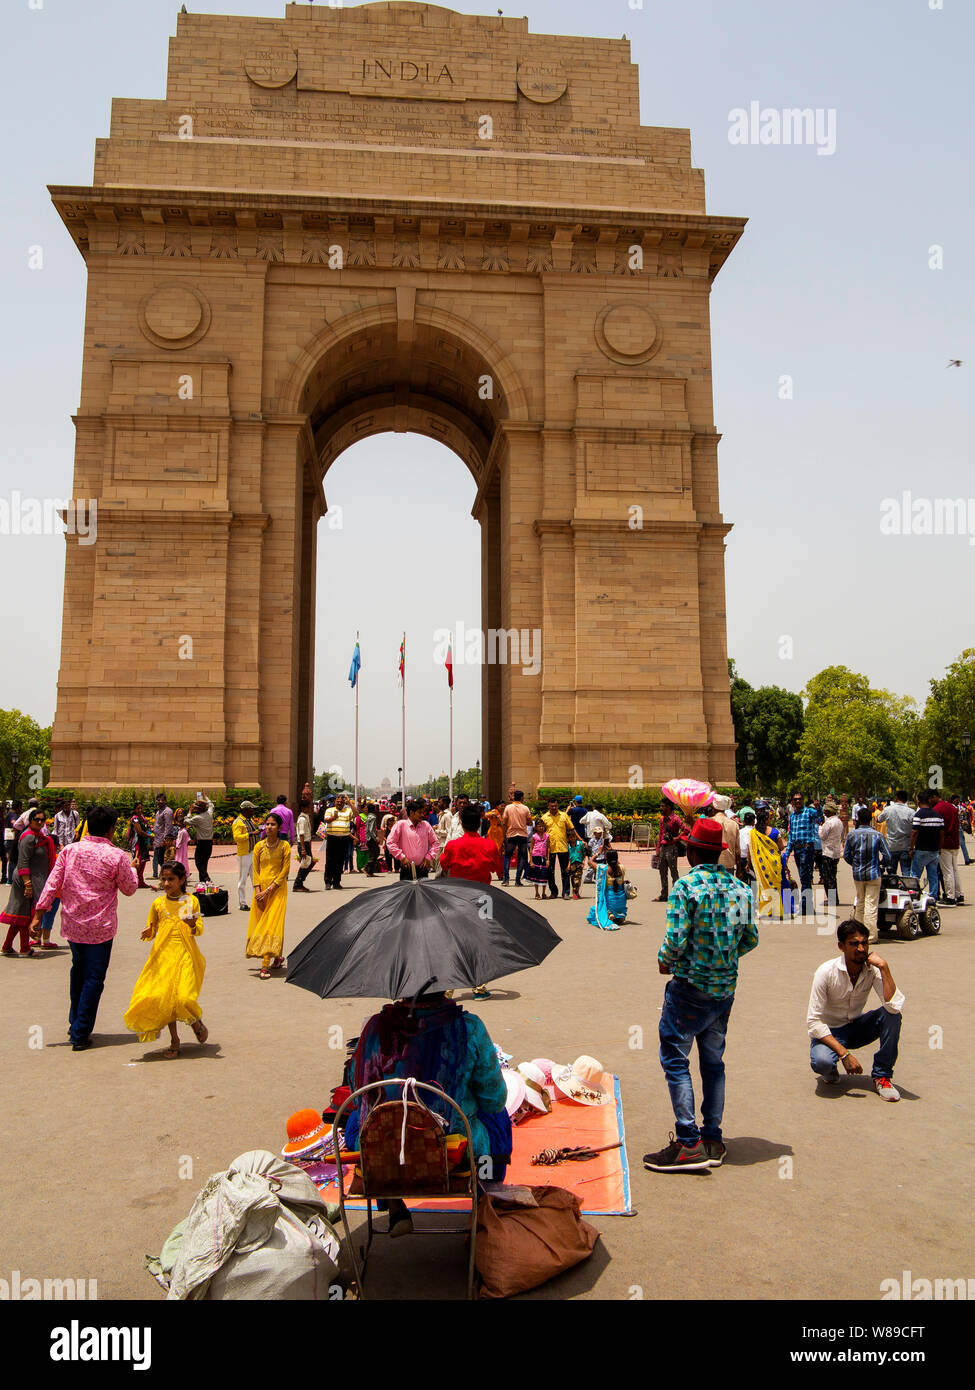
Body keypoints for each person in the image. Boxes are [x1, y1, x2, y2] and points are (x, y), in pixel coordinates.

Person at [342, 991, 512, 1237]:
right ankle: (485, 1202)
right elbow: (495, 1098)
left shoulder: (374, 1028)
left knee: (354, 1124)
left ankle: (394, 1206)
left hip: (382, 1148)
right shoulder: (468, 1027)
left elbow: (358, 1094)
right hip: (452, 1147)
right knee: (499, 1120)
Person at [644, 818, 758, 1172]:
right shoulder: (741, 889)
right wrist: (722, 957)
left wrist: (666, 961)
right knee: (713, 1062)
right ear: (719, 852)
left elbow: (675, 941)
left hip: (690, 988)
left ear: (692, 852)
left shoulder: (686, 887)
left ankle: (688, 1143)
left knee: (676, 1060)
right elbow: (750, 938)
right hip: (725, 988)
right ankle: (713, 1137)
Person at [30, 804, 139, 1050]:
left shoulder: (70, 851)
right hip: (101, 927)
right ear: (112, 829)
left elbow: (52, 883)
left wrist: (38, 915)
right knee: (93, 978)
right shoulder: (117, 856)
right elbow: (130, 889)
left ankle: (75, 1022)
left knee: (78, 972)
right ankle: (80, 1032)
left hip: (73, 924)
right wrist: (132, 868)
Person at [807, 919, 904, 1100]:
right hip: (830, 1033)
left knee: (892, 1016)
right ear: (841, 946)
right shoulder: (826, 972)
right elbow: (813, 1022)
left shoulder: (872, 969)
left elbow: (894, 1006)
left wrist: (884, 968)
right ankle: (830, 1068)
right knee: (822, 1062)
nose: (861, 949)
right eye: (854, 944)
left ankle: (882, 1076)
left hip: (857, 1028)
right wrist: (844, 1055)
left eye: (864, 943)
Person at [123, 861, 209, 1059]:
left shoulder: (191, 901)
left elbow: (199, 929)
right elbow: (152, 928)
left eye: (171, 879)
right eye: (163, 879)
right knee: (165, 998)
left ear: (181, 880)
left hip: (186, 953)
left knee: (184, 997)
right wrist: (149, 931)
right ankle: (174, 1040)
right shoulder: (158, 903)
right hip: (162, 954)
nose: (166, 883)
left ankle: (195, 1021)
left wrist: (193, 925)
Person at [438, 804, 502, 999]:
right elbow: (496, 869)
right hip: (483, 898)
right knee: (481, 941)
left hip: (456, 897)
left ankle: (449, 987)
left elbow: (443, 864)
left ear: (462, 823)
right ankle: (479, 986)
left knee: (454, 941)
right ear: (479, 823)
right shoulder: (490, 845)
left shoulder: (452, 846)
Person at [1, 807, 56, 957]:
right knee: (25, 914)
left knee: (21, 913)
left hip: (30, 879)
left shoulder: (38, 836)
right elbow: (23, 862)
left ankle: (6, 947)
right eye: (36, 819)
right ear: (29, 821)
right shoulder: (28, 837)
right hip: (25, 879)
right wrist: (28, 884)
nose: (39, 822)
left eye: (42, 820)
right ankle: (25, 949)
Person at [246, 811, 292, 979]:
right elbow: (255, 870)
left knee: (271, 925)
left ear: (279, 827)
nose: (269, 827)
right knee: (260, 923)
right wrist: (258, 891)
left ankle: (265, 965)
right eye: (267, 824)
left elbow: (284, 871)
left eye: (273, 824)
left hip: (277, 890)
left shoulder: (284, 846)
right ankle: (277, 957)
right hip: (260, 891)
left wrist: (269, 890)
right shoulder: (259, 846)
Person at [843, 807, 891, 936]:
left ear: (858, 819)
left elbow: (846, 855)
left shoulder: (852, 835)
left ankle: (858, 934)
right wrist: (881, 865)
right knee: (871, 905)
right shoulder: (877, 835)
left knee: (860, 903)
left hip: (858, 874)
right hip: (874, 873)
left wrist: (855, 864)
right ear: (870, 819)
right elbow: (887, 856)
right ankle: (870, 935)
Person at [786, 792, 822, 917]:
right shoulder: (792, 817)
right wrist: (787, 853)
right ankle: (808, 905)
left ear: (803, 800)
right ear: (792, 802)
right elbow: (791, 836)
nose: (797, 802)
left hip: (807, 849)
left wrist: (818, 807)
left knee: (804, 876)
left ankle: (806, 905)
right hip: (797, 849)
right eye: (795, 800)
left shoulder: (809, 812)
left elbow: (819, 817)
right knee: (804, 878)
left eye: (799, 799)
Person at [385, 799, 439, 880]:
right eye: (419, 813)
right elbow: (390, 842)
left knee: (422, 892)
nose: (422, 815)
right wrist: (402, 857)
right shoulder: (401, 825)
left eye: (423, 812)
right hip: (407, 868)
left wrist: (429, 857)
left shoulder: (426, 825)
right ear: (411, 813)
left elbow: (435, 843)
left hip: (423, 868)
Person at [909, 790, 944, 902]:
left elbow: (914, 832)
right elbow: (942, 833)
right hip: (934, 851)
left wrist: (911, 848)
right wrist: (939, 848)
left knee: (915, 875)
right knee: (933, 875)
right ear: (929, 801)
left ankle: (914, 896)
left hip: (921, 850)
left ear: (918, 801)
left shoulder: (918, 815)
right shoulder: (938, 816)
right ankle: (933, 897)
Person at [654, 797, 688, 902]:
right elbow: (660, 834)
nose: (661, 808)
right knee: (662, 871)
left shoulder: (675, 819)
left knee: (674, 872)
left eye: (663, 806)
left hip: (672, 848)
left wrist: (677, 838)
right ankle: (664, 895)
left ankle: (676, 894)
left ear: (668, 807)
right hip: (663, 848)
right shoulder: (662, 819)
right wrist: (658, 849)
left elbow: (686, 829)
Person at [875, 790, 915, 878]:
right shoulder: (911, 812)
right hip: (906, 846)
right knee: (906, 872)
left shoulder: (888, 809)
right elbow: (915, 828)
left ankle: (893, 888)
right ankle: (908, 889)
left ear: (896, 798)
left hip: (891, 846)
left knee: (891, 872)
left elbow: (878, 819)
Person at [541, 799, 575, 900]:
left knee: (565, 871)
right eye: (552, 806)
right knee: (549, 872)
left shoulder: (564, 815)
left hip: (563, 847)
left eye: (555, 806)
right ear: (548, 806)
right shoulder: (544, 817)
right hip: (549, 849)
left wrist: (576, 842)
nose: (554, 808)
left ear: (557, 805)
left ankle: (566, 892)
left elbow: (571, 829)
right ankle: (554, 892)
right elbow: (541, 833)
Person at [932, 792, 961, 906]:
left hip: (946, 843)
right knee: (955, 870)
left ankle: (950, 897)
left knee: (947, 871)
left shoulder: (938, 809)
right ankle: (959, 894)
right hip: (955, 842)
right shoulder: (952, 807)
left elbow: (940, 829)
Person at [587, 849, 628, 930]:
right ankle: (619, 915)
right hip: (621, 902)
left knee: (593, 910)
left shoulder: (603, 869)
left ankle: (609, 913)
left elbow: (590, 861)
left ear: (606, 858)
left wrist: (598, 853)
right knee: (617, 908)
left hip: (610, 901)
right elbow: (617, 863)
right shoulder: (622, 868)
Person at [231, 801, 261, 911]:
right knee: (242, 879)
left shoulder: (249, 820)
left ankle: (257, 899)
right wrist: (251, 834)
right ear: (245, 810)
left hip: (252, 852)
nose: (253, 811)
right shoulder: (238, 822)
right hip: (244, 853)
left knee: (255, 878)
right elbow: (237, 837)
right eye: (251, 809)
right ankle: (242, 903)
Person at [322, 793, 354, 889]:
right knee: (330, 860)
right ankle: (328, 881)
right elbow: (326, 820)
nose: (339, 803)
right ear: (334, 802)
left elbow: (356, 814)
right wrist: (333, 818)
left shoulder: (348, 811)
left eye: (341, 802)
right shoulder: (330, 810)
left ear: (344, 803)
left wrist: (350, 803)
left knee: (340, 861)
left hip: (343, 839)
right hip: (332, 838)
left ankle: (337, 882)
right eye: (338, 801)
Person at [501, 790, 532, 887]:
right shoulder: (525, 808)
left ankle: (506, 879)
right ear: (522, 798)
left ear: (514, 797)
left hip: (511, 834)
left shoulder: (508, 807)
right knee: (522, 857)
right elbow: (530, 822)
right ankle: (517, 880)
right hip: (522, 835)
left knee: (507, 856)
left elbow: (504, 821)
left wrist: (504, 834)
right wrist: (524, 822)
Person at [817, 799, 844, 907]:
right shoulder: (839, 822)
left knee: (828, 877)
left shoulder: (829, 823)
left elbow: (822, 836)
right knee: (833, 876)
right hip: (836, 852)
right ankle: (834, 898)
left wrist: (819, 827)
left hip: (828, 852)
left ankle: (831, 899)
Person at [185, 792, 215, 884]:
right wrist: (206, 797)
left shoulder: (198, 818)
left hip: (202, 843)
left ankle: (206, 879)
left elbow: (186, 821)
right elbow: (211, 805)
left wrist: (189, 812)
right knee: (204, 863)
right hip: (209, 843)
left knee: (198, 862)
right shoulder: (209, 814)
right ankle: (202, 882)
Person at [711, 795, 740, 873]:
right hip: (729, 864)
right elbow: (737, 850)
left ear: (714, 807)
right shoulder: (734, 824)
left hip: (711, 864)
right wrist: (739, 869)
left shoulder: (709, 822)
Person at [292, 798, 315, 892]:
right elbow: (301, 834)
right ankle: (298, 883)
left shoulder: (305, 817)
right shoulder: (302, 819)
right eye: (308, 807)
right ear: (303, 808)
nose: (310, 808)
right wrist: (303, 848)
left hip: (306, 843)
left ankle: (299, 882)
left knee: (308, 863)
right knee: (306, 864)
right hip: (303, 844)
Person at [128, 803, 152, 889]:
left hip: (143, 843)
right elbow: (139, 831)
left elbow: (147, 827)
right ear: (134, 810)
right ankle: (134, 881)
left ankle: (140, 881)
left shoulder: (142, 818)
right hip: (137, 843)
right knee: (138, 862)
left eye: (141, 808)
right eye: (138, 808)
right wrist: (151, 836)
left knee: (143, 861)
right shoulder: (135, 819)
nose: (140, 810)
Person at [526, 819, 550, 900]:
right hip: (535, 857)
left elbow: (548, 848)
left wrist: (548, 859)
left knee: (544, 875)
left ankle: (543, 893)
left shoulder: (547, 836)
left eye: (542, 826)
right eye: (539, 826)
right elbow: (531, 848)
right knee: (536, 876)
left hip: (543, 858)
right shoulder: (534, 836)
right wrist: (531, 861)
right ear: (535, 827)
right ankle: (537, 893)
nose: (541, 828)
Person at [152, 794, 173, 879]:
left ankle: (167, 874)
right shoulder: (158, 811)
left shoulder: (167, 811)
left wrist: (165, 839)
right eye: (158, 800)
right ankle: (163, 874)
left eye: (162, 800)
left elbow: (168, 826)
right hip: (157, 839)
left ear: (165, 801)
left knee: (162, 859)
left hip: (162, 840)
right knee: (159, 858)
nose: (160, 801)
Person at [3, 799, 23, 886]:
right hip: (11, 840)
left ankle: (9, 878)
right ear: (18, 807)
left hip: (8, 840)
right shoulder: (13, 815)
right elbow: (14, 823)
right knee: (12, 860)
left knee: (11, 859)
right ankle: (10, 880)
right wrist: (21, 827)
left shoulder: (9, 813)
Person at [171, 808, 191, 875]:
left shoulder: (182, 831)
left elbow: (179, 841)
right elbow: (188, 839)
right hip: (184, 848)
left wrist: (176, 845)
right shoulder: (185, 830)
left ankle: (180, 872)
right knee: (184, 860)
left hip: (180, 849)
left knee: (180, 860)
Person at [567, 834, 587, 899]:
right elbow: (568, 857)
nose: (572, 838)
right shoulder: (568, 846)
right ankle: (576, 892)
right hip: (572, 864)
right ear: (568, 838)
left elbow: (584, 853)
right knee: (573, 878)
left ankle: (575, 892)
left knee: (578, 879)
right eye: (570, 837)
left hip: (579, 863)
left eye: (573, 837)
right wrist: (568, 865)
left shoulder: (580, 844)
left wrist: (583, 861)